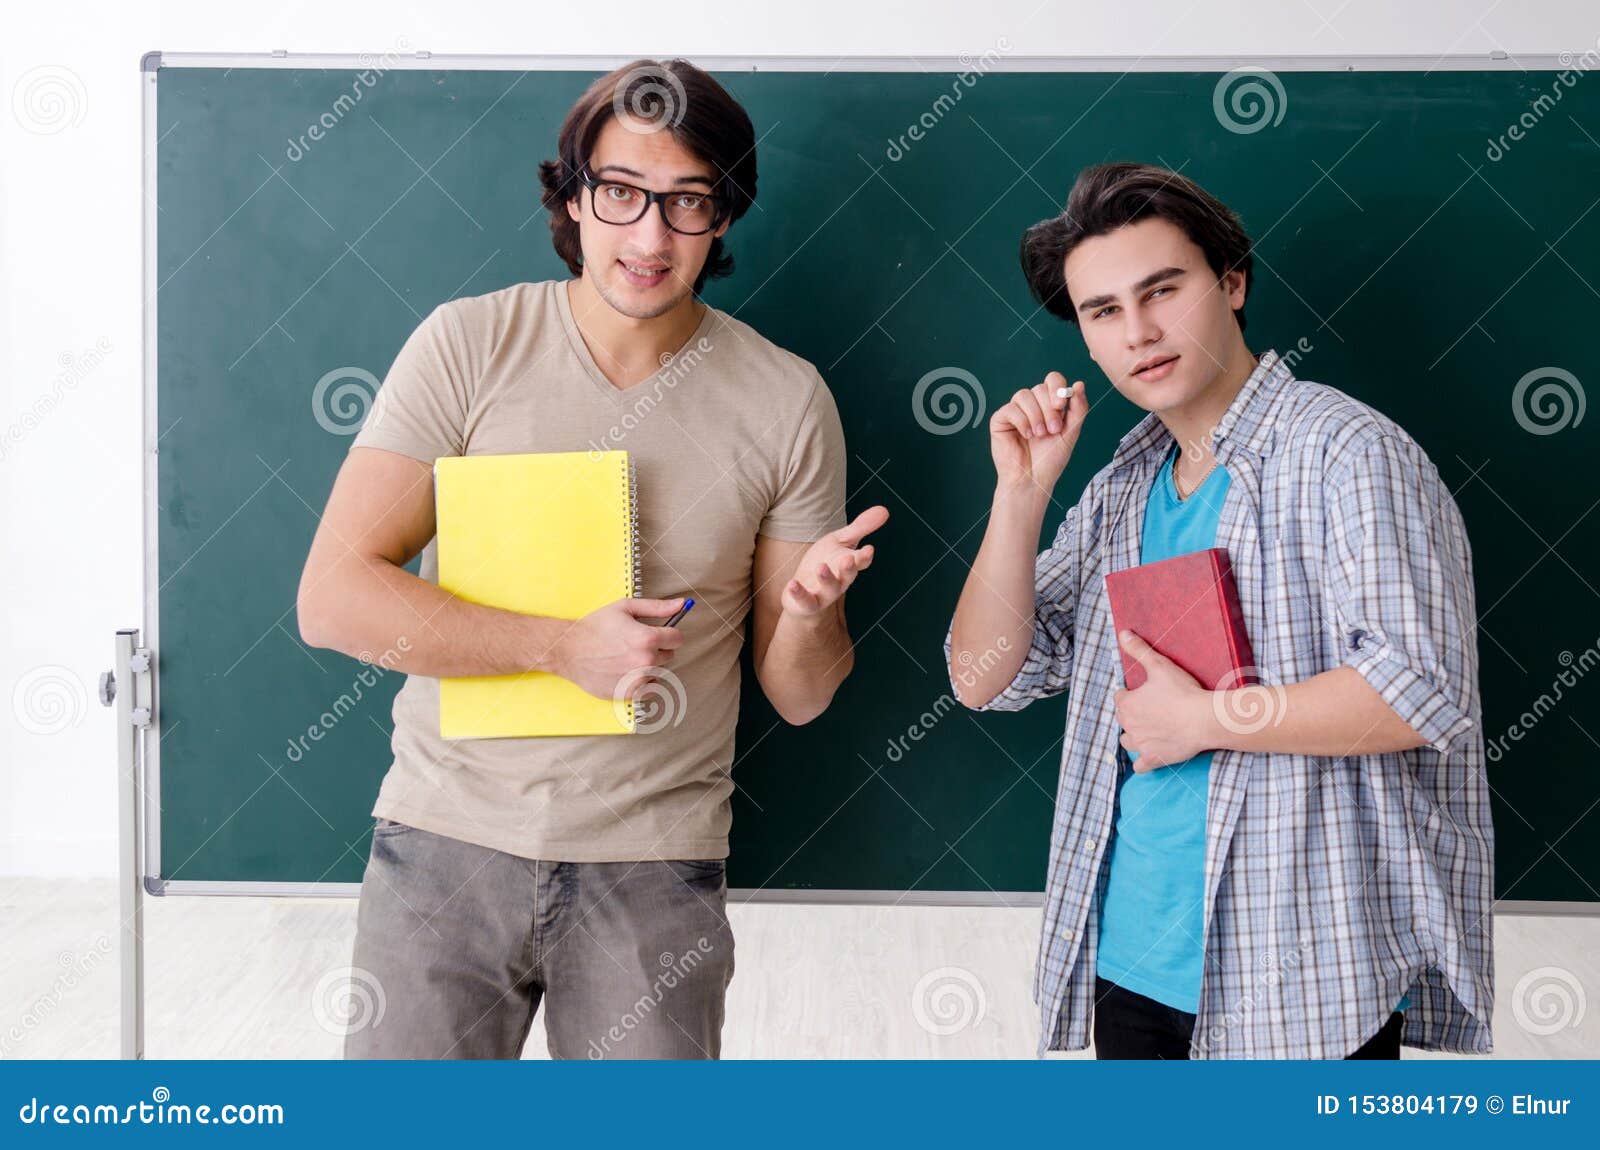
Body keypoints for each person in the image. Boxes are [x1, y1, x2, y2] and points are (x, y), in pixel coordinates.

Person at [298, 58, 887, 1059]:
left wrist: (810, 608)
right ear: (572, 196)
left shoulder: (787, 400)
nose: (650, 236)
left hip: (653, 867)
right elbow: (334, 599)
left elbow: (799, 695)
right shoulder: (467, 346)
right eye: (621, 193)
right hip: (443, 845)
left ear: (725, 219)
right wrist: (558, 646)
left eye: (688, 202)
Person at [945, 161, 1492, 1059]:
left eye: (1163, 291)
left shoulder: (1347, 452)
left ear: (1231, 281)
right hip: (1130, 965)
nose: (1140, 332)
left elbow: (1420, 691)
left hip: (1301, 978)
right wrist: (1020, 497)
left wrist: (1207, 718)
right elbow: (982, 678)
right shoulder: (1122, 490)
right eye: (1103, 312)